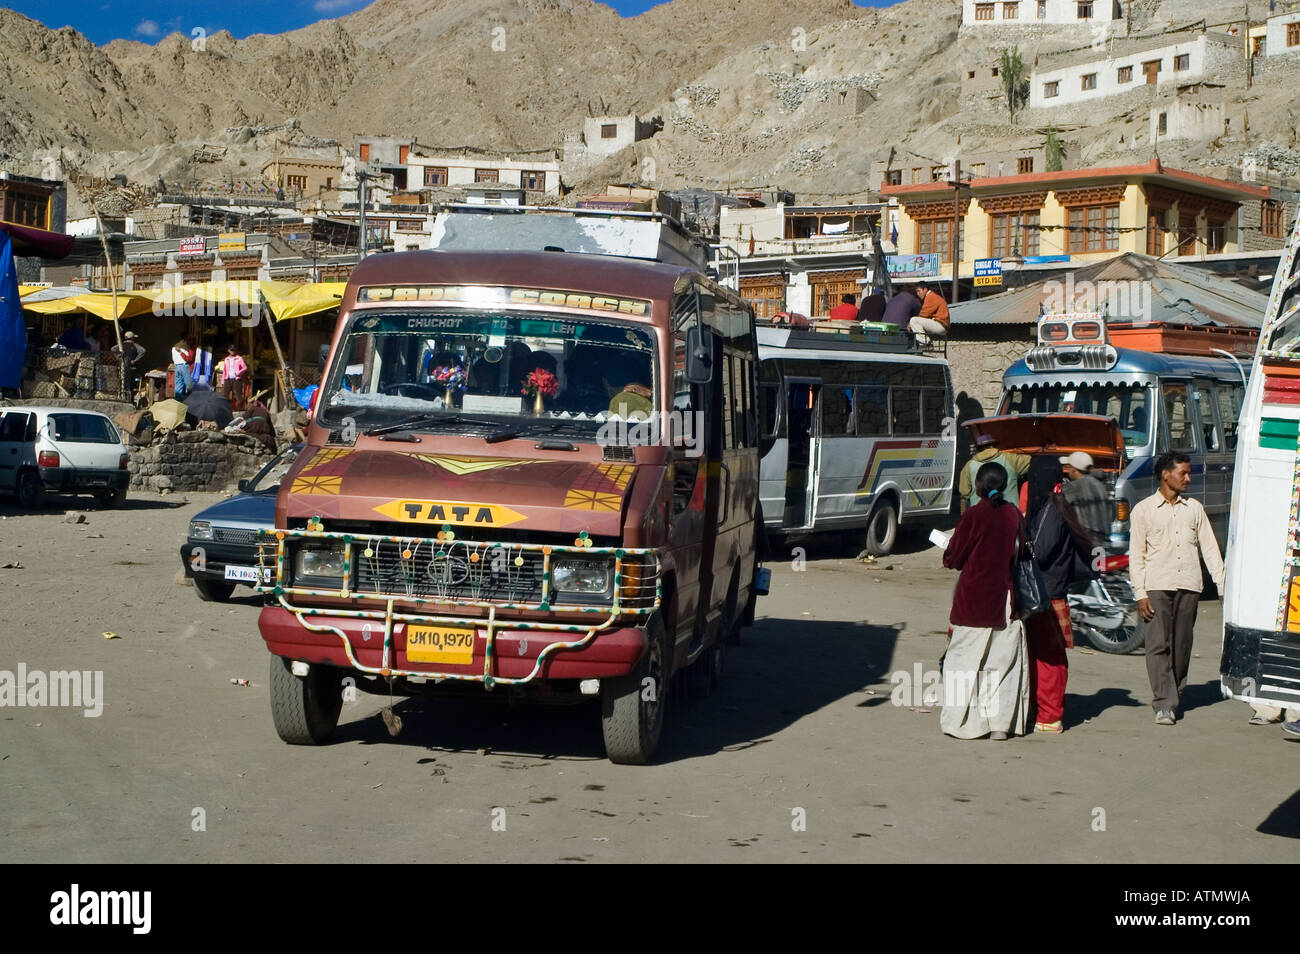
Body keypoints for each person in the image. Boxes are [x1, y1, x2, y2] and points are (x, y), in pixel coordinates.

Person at [1129, 451, 1225, 726]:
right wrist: (1140, 593)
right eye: (1182, 473)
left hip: (1189, 585)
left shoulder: (1193, 508)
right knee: (1158, 645)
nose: (1187, 478)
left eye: (1188, 473)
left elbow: (1209, 547)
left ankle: (1176, 691)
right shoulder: (1144, 510)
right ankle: (1164, 703)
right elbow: (1137, 554)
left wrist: (1221, 583)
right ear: (1165, 474)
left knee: (1182, 644)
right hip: (1157, 586)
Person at [941, 461, 1031, 740]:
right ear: (1005, 486)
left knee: (963, 663)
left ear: (978, 486)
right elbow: (1022, 554)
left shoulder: (973, 516)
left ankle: (962, 723)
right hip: (1006, 600)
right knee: (1002, 664)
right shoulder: (1014, 514)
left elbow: (953, 557)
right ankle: (1000, 726)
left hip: (974, 601)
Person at [1022, 459, 1094, 733]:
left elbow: (1038, 550)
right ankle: (1044, 711)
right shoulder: (1054, 506)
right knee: (1042, 654)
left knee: (1048, 657)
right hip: (1049, 592)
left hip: (1046, 595)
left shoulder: (1050, 510)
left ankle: (1050, 715)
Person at [958, 433, 1032, 512]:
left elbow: (964, 493)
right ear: (993, 445)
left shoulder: (969, 466)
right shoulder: (1010, 458)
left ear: (977, 448)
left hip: (980, 516)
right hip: (1010, 515)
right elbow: (1032, 462)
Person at [1060, 451, 1110, 544]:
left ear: (1074, 470)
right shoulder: (1099, 485)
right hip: (1102, 539)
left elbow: (1058, 503)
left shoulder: (1075, 486)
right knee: (1099, 559)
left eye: (1069, 467)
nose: (1068, 471)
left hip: (1086, 540)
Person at [219, 344, 249, 411]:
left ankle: (239, 411)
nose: (233, 351)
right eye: (231, 350)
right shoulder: (226, 359)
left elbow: (245, 368)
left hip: (236, 379)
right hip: (228, 379)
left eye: (234, 350)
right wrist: (223, 381)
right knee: (225, 396)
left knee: (238, 396)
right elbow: (225, 371)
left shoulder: (239, 358)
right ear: (228, 350)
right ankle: (225, 410)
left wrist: (238, 373)